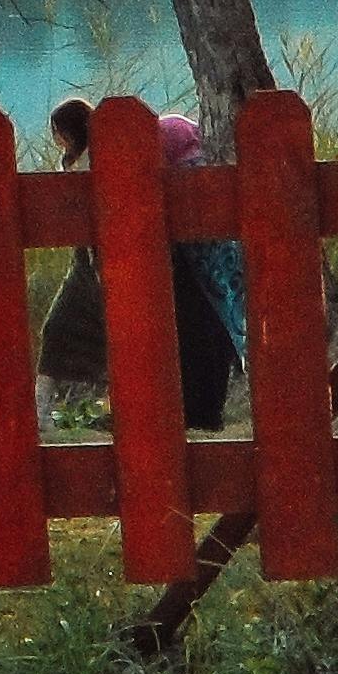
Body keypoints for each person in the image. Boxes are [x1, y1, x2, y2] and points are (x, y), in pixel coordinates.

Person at [39, 94, 246, 430]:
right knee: (215, 310)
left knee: (207, 314)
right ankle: (200, 408)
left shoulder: (118, 150)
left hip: (189, 234)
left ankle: (195, 407)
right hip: (192, 235)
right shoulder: (140, 138)